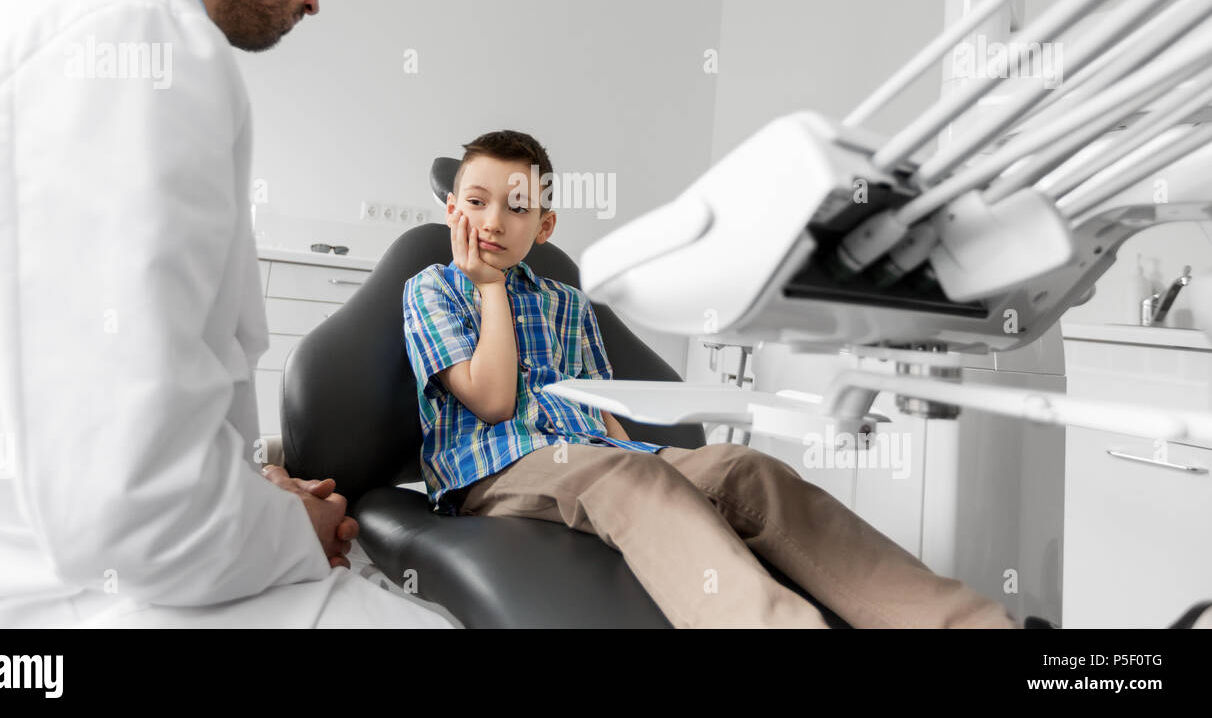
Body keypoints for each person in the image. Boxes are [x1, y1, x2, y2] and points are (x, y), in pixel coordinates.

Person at [0, 0, 450, 627]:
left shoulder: (68, 21)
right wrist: (295, 529)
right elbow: (136, 507)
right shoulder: (137, 41)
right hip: (49, 612)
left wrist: (254, 486)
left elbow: (127, 424)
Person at [401, 130, 1021, 628]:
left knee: (742, 467)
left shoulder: (568, 303)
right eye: (476, 202)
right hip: (491, 467)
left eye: (517, 207)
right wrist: (490, 290)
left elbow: (598, 408)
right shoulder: (431, 288)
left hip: (597, 454)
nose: (493, 221)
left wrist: (652, 456)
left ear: (545, 226)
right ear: (453, 210)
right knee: (630, 475)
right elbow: (492, 400)